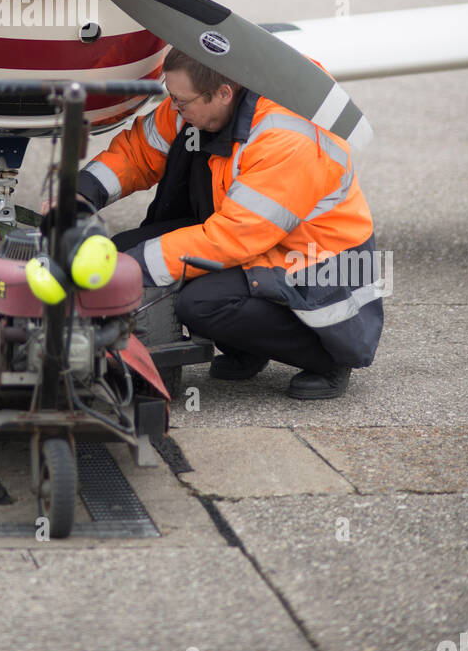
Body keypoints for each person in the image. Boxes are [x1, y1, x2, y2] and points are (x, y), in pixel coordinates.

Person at [71, 48, 384, 399]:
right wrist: (84, 194)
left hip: (311, 259)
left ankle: (328, 358)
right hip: (257, 237)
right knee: (122, 249)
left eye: (181, 102)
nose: (174, 109)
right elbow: (139, 152)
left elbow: (234, 237)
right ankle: (248, 347)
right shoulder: (201, 98)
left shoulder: (285, 137)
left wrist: (139, 264)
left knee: (199, 302)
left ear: (222, 94)